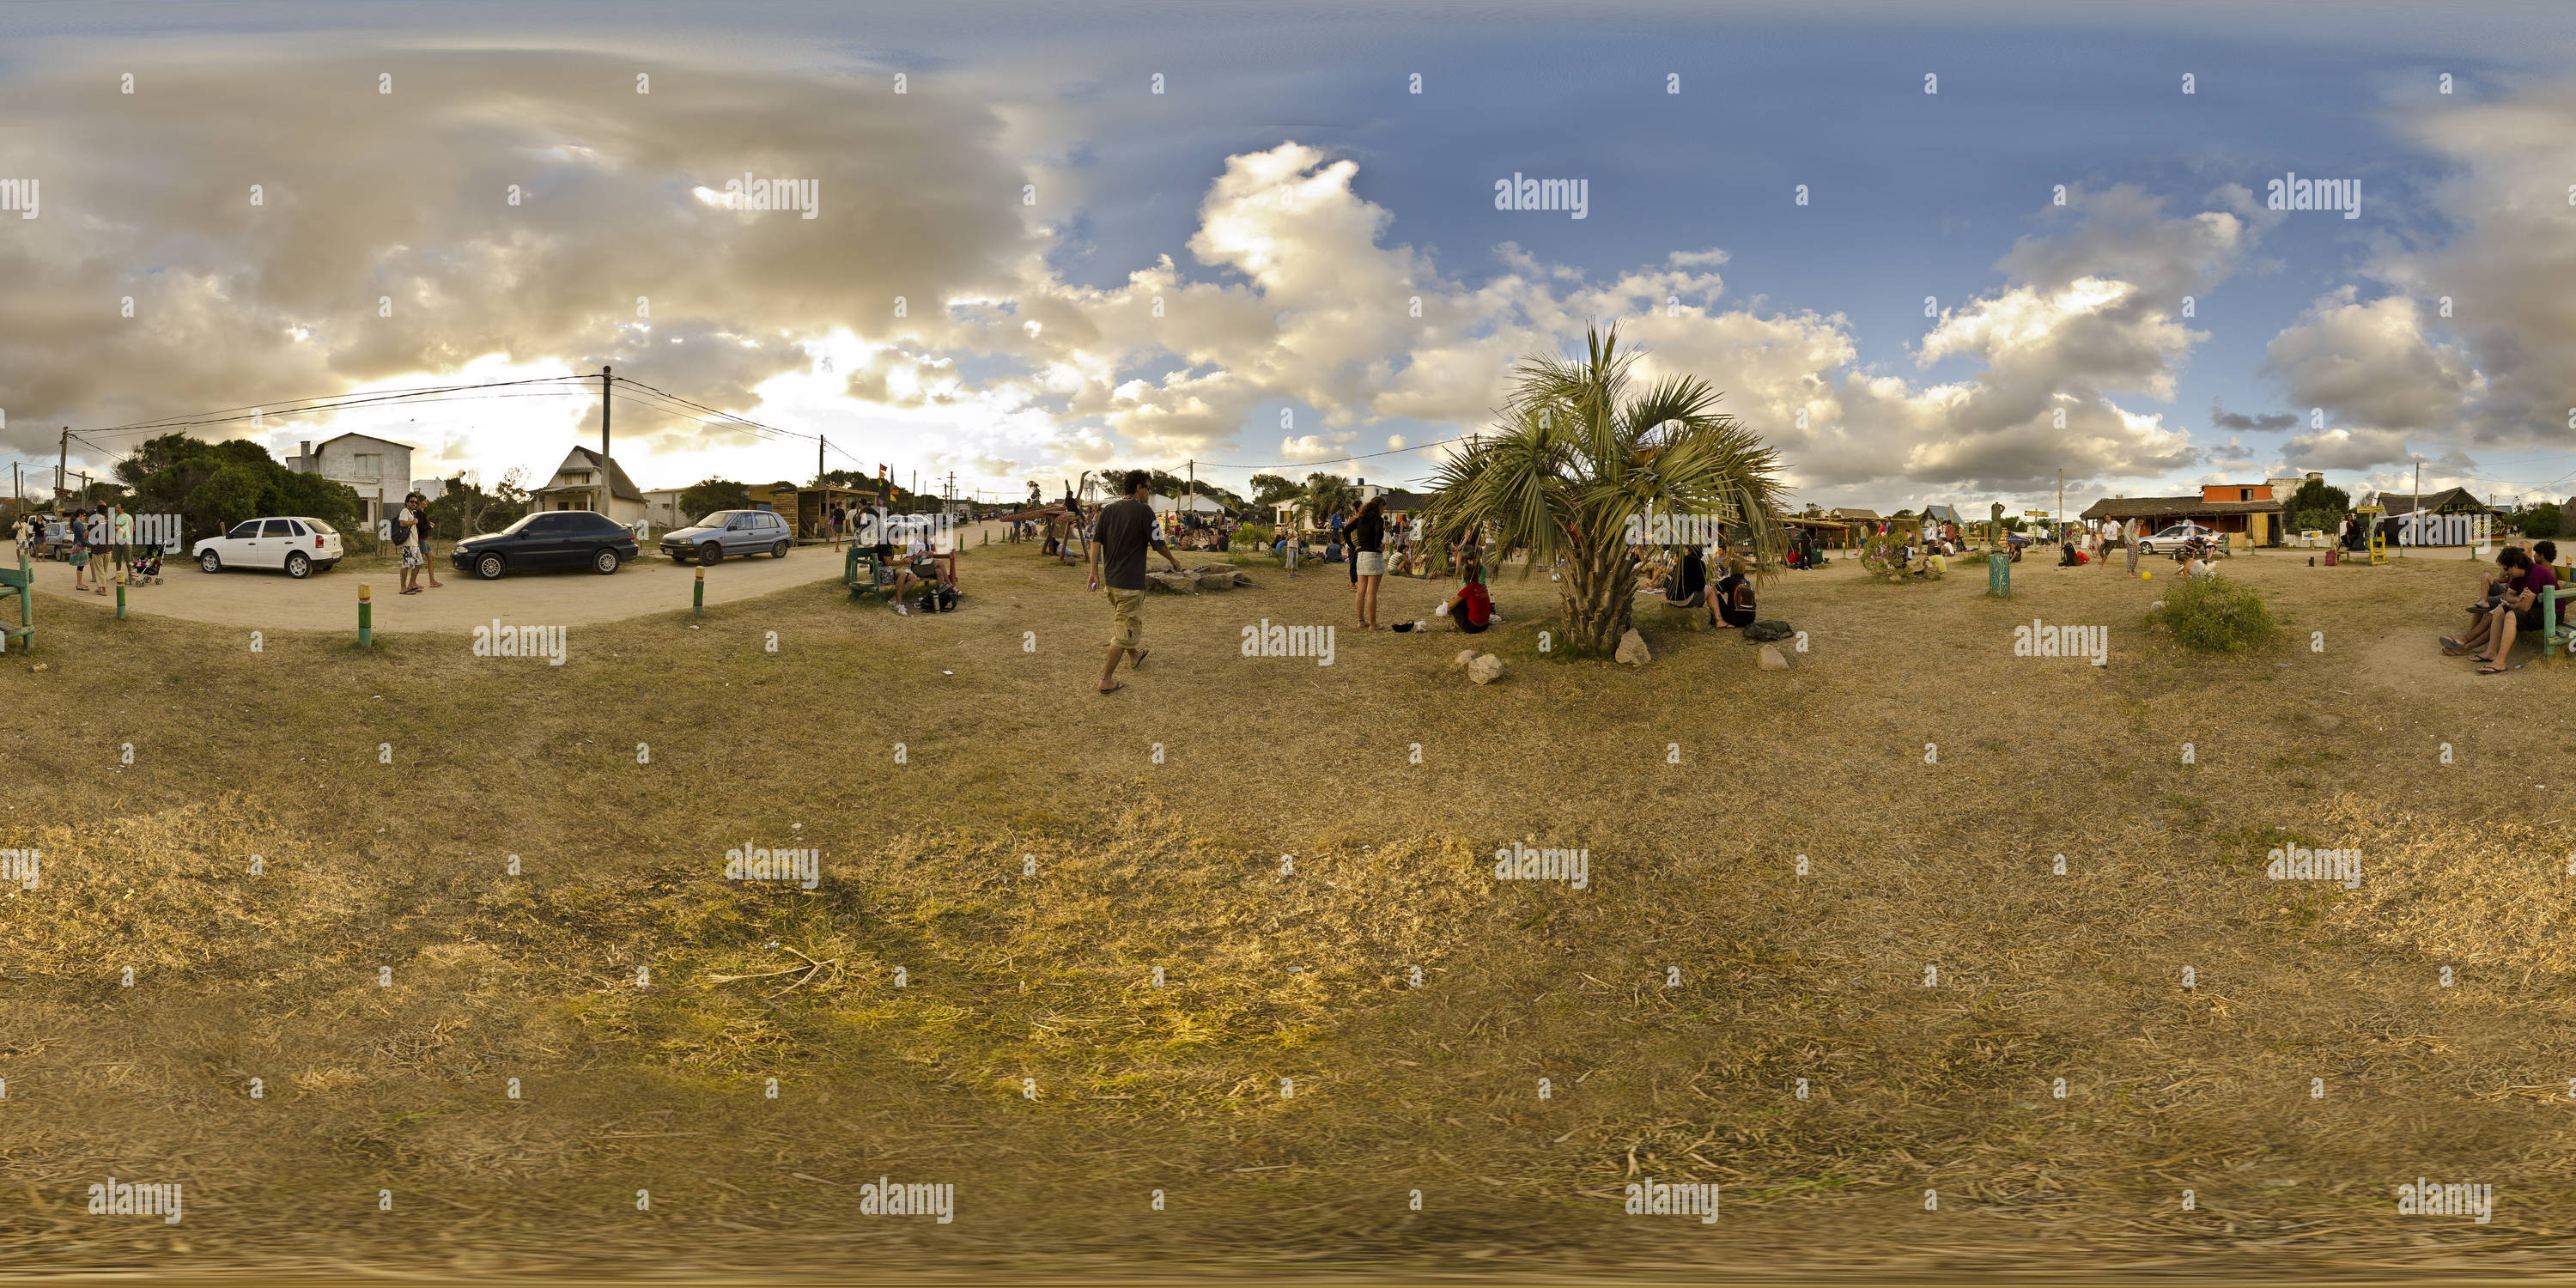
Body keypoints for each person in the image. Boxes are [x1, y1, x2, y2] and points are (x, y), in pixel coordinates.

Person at [1089, 470, 1183, 695]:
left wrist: (1094, 572)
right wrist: (1173, 560)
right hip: (1129, 584)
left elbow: (1096, 542)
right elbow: (1158, 543)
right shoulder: (1143, 511)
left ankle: (1135, 655)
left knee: (1125, 622)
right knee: (1124, 632)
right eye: (1148, 488)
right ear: (1139, 488)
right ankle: (1106, 680)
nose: (1150, 493)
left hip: (1111, 584)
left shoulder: (1109, 510)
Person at [1394, 550, 1495, 634]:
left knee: (1456, 605)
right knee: (1463, 602)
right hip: (1484, 625)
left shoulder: (1468, 589)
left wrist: (1450, 609)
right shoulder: (1482, 589)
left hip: (1473, 628)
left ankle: (1455, 626)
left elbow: (1450, 607)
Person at [1351, 495, 1388, 629]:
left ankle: (1361, 621)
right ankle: (1373, 624)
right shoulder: (1378, 519)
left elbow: (1348, 529)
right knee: (1371, 593)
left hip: (1361, 555)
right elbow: (1379, 532)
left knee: (1360, 591)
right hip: (1373, 556)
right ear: (1379, 506)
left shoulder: (1361, 518)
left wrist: (1352, 546)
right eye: (1383, 507)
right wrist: (1377, 544)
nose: (1384, 510)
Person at [1710, 557, 1756, 629]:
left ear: (1731, 569)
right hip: (1751, 619)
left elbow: (1714, 589)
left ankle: (1717, 618)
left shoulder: (1729, 580)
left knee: (1713, 594)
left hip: (1734, 619)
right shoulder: (1748, 583)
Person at [411, 494, 443, 588]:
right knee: (419, 563)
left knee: (431, 558)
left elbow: (422, 524)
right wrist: (430, 526)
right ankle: (412, 583)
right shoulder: (419, 513)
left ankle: (432, 581)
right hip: (421, 540)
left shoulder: (421, 513)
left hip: (424, 540)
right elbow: (420, 527)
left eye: (426, 501)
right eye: (425, 501)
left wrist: (428, 524)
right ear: (420, 502)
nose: (426, 502)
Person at [1662, 544, 1708, 609]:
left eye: (1686, 549)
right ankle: (1718, 617)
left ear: (1690, 551)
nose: (1685, 551)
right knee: (1709, 590)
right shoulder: (1700, 564)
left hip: (1670, 597)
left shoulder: (1683, 560)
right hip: (1683, 600)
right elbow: (1701, 586)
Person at [395, 501, 423, 593]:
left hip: (414, 543)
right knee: (406, 565)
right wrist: (413, 522)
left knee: (419, 563)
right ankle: (403, 588)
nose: (414, 503)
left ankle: (412, 584)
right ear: (407, 502)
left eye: (415, 502)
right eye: (412, 501)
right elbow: (402, 524)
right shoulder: (405, 511)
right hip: (408, 544)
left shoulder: (412, 512)